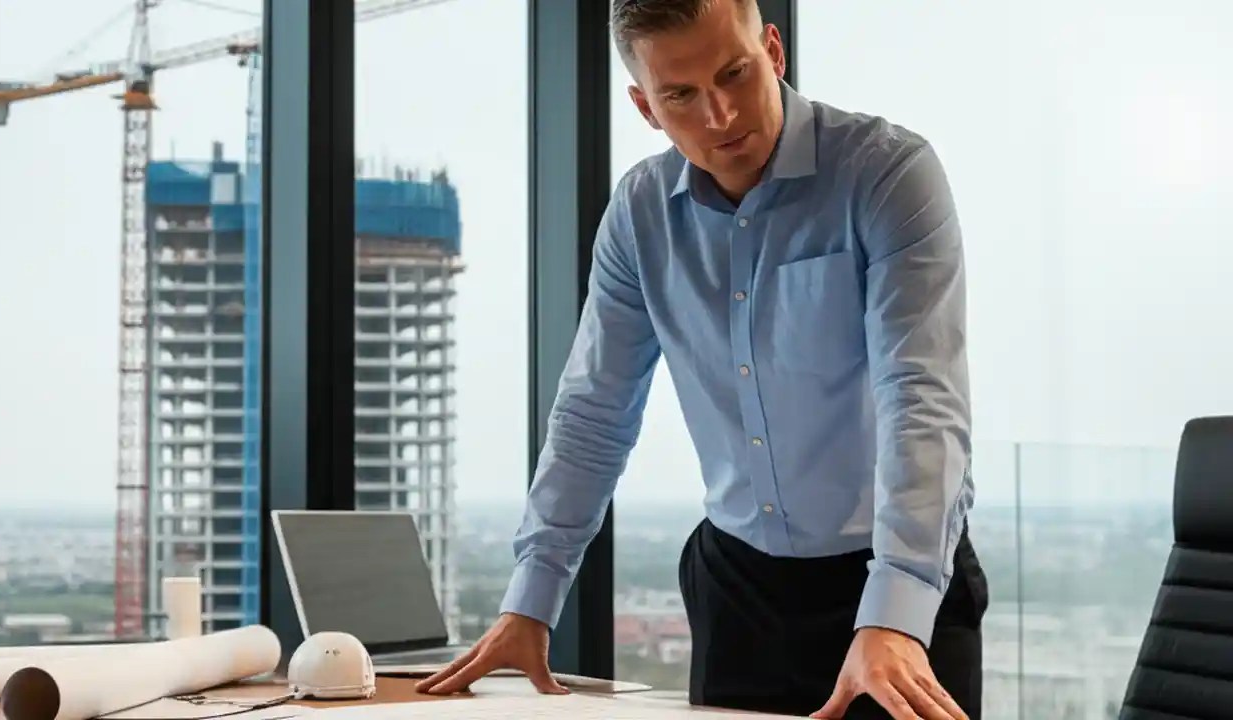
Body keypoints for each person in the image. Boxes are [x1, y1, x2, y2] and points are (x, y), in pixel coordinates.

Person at [416, 0, 989, 717]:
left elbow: (920, 398)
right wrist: (530, 600)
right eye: (681, 95)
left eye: (735, 74)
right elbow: (594, 412)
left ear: (772, 52)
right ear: (645, 107)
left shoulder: (887, 174)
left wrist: (896, 614)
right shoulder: (639, 214)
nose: (719, 116)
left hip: (895, 586)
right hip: (737, 596)